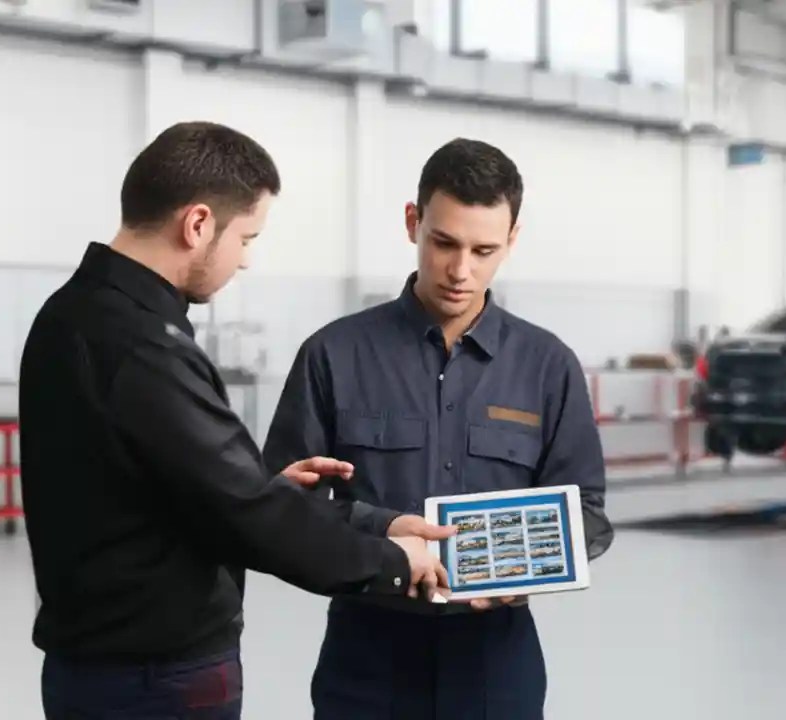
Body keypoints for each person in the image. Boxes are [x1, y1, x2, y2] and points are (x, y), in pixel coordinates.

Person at [18, 121, 447, 720]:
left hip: (93, 664)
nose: (245, 259)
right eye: (246, 237)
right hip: (157, 679)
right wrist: (393, 560)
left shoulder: (69, 314)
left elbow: (158, 480)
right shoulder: (145, 347)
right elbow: (248, 515)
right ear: (197, 225)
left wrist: (256, 485)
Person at [263, 137, 615, 719]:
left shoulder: (548, 366)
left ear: (512, 241)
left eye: (484, 250)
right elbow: (279, 506)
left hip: (495, 660)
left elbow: (589, 514)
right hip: (366, 653)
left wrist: (525, 565)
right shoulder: (334, 355)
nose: (460, 270)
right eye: (444, 242)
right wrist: (382, 530)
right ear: (412, 222)